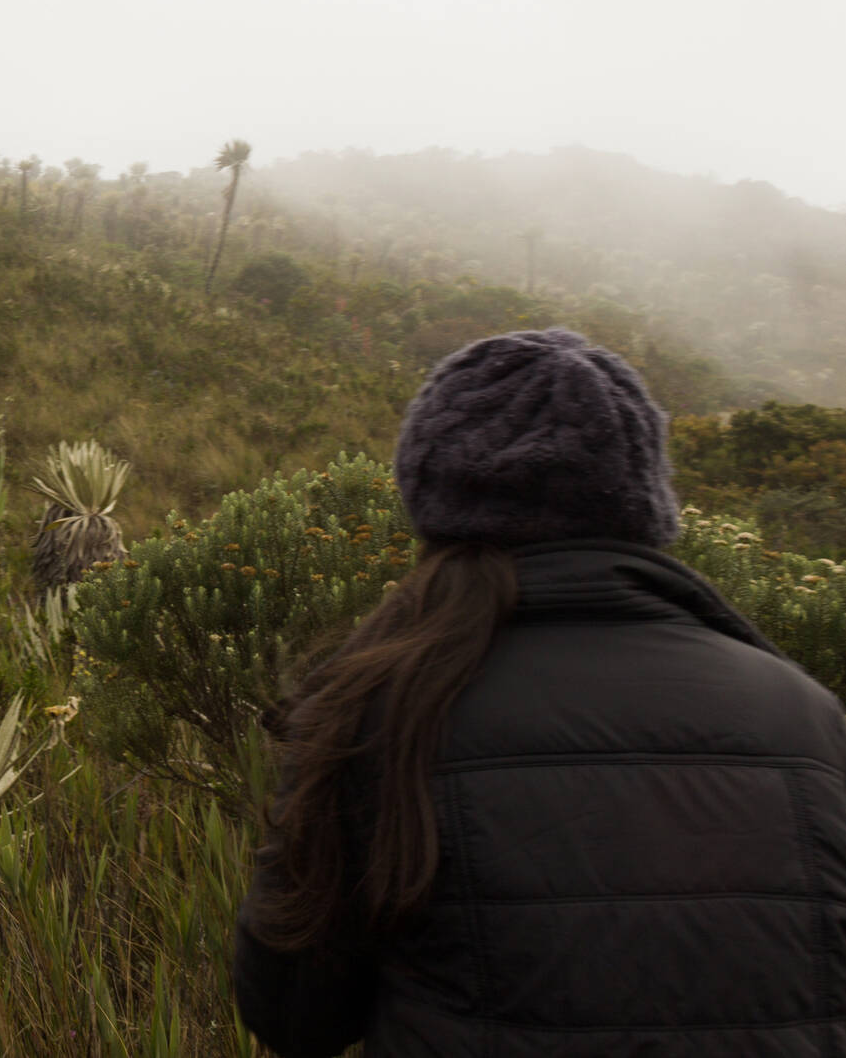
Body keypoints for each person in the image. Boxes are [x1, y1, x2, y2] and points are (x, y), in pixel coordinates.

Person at [234, 328, 846, 1057]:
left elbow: (294, 1017)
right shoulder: (807, 713)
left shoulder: (376, 711)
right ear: (645, 503)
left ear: (430, 498)